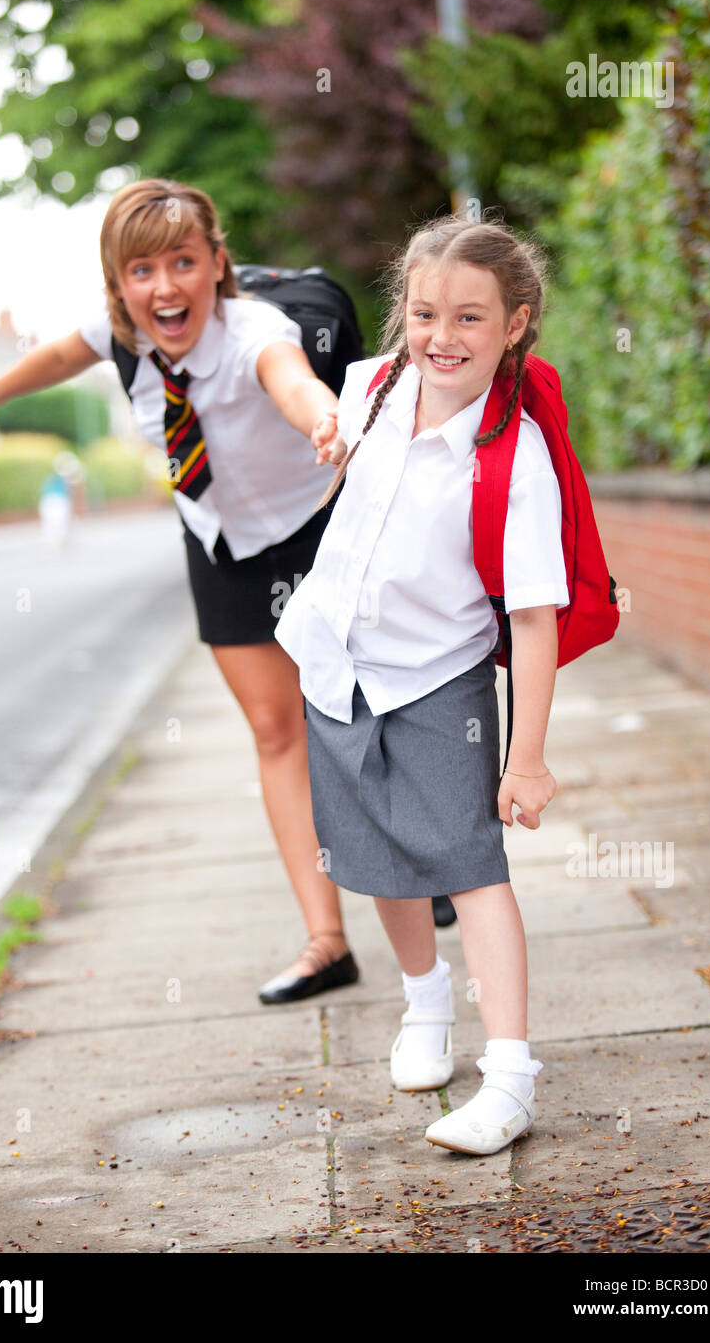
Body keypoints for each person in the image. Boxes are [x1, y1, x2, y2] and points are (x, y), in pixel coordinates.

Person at [0, 178, 360, 1005]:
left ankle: (432, 866)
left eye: (183, 263)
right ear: (119, 286)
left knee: (363, 711)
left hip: (315, 526)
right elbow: (63, 353)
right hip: (220, 542)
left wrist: (323, 419)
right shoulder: (120, 330)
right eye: (141, 272)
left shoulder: (256, 331)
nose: (164, 287)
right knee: (277, 735)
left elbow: (291, 378)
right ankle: (327, 942)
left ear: (217, 265)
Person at [275, 214, 569, 1154]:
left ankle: (513, 1078)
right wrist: (329, 443)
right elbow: (334, 477)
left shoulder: (515, 456)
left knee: (471, 868)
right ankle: (425, 1003)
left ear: (516, 324)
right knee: (368, 853)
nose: (442, 337)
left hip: (437, 681)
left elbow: (533, 619)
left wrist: (525, 760)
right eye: (425, 312)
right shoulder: (369, 385)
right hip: (333, 662)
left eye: (470, 319)